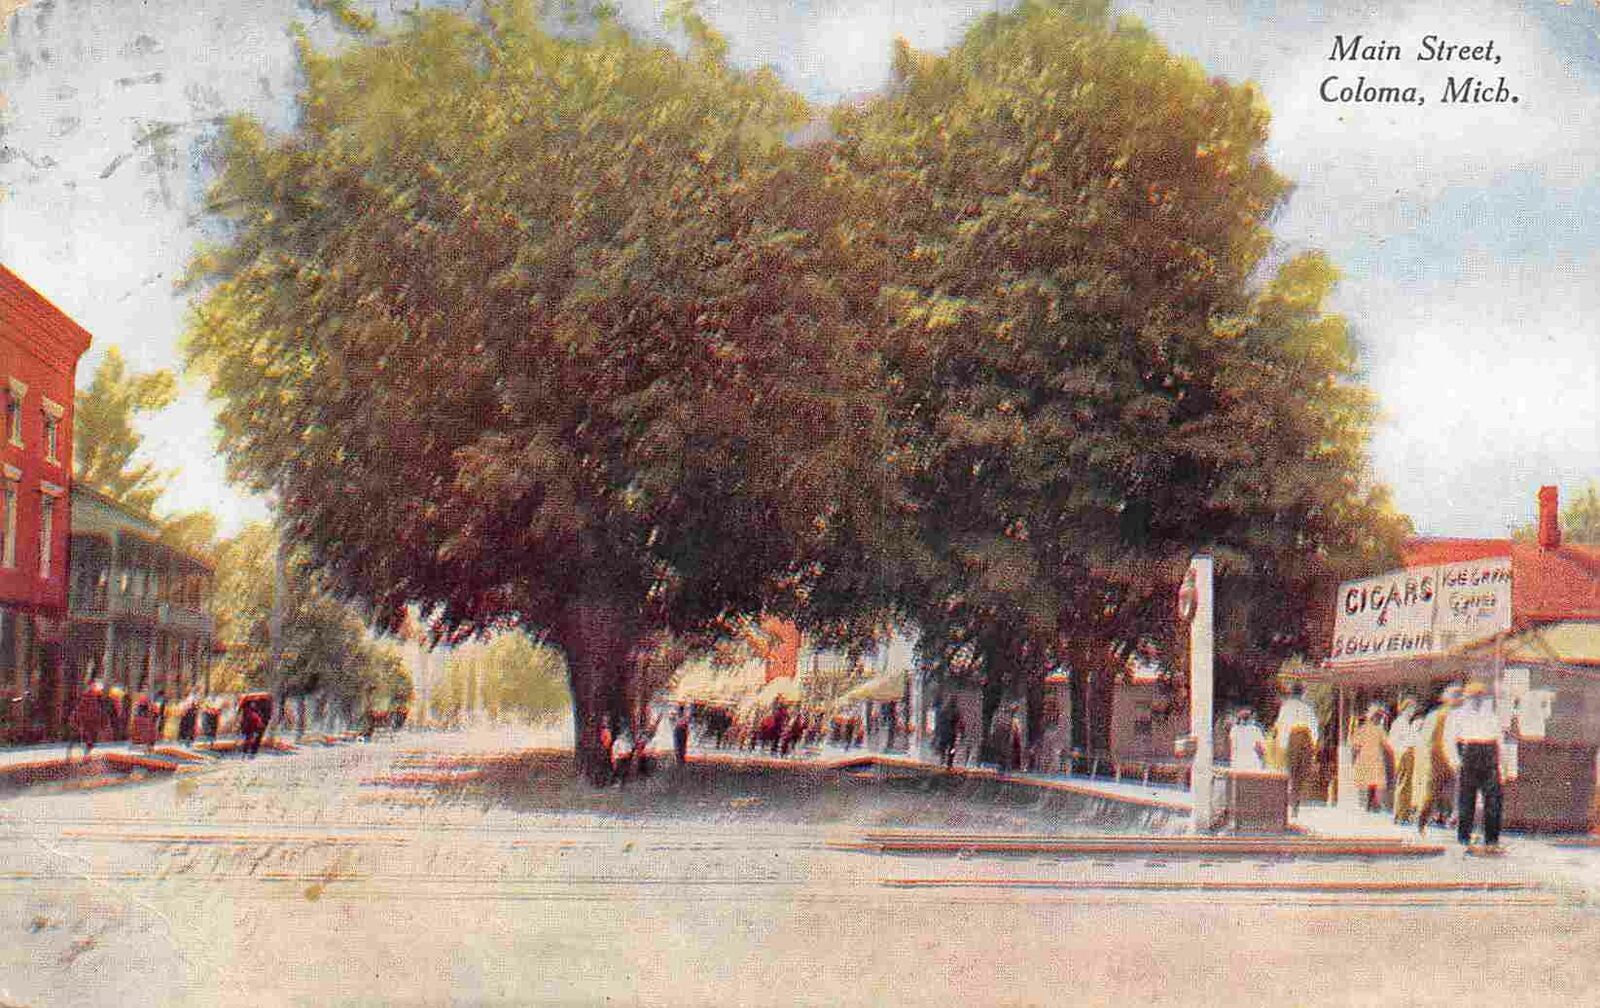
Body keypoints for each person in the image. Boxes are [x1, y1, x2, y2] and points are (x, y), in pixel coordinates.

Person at [1446, 680, 1508, 853]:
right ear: (1466, 698)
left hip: (1489, 755)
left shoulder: (1492, 716)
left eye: (1479, 697)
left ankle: (1492, 840)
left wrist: (1503, 768)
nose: (1477, 700)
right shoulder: (1457, 715)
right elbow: (1449, 740)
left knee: (1494, 800)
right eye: (1473, 697)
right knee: (1467, 800)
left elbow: (1500, 742)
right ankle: (1464, 837)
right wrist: (1455, 761)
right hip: (1468, 754)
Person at [1413, 684, 1463, 836]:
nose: (1458, 699)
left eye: (1459, 695)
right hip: (1436, 759)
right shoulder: (1436, 715)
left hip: (1454, 759)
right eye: (1455, 695)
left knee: (1458, 792)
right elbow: (1425, 739)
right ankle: (1421, 822)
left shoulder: (1461, 715)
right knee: (1431, 793)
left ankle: (1454, 823)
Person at [1272, 683, 1320, 816]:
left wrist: (1282, 744)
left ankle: (1290, 802)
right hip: (1304, 740)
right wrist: (1313, 746)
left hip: (1292, 740)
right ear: (1302, 693)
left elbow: (1282, 726)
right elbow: (1313, 727)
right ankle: (1295, 803)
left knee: (1290, 772)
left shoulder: (1286, 708)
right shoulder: (1307, 708)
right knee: (1299, 774)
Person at [1350, 703, 1391, 812]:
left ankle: (1371, 804)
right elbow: (1356, 744)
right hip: (1369, 758)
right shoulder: (1369, 729)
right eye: (1376, 716)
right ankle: (1369, 804)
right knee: (1370, 782)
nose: (1377, 718)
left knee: (1372, 783)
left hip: (1372, 758)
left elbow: (1386, 743)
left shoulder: (1374, 729)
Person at [1388, 698, 1421, 824]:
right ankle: (1398, 815)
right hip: (1403, 753)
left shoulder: (1408, 723)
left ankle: (1404, 814)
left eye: (1413, 709)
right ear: (1405, 709)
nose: (1412, 711)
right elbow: (1392, 741)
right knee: (1402, 784)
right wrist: (1401, 751)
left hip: (1410, 753)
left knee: (1408, 785)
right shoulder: (1399, 723)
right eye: (1410, 708)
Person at [67, 681, 108, 761]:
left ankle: (84, 755)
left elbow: (79, 709)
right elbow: (98, 712)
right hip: (87, 723)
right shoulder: (91, 698)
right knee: (89, 739)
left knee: (88, 739)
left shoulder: (89, 698)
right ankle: (85, 756)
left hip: (88, 722)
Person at [1229, 707, 1267, 772]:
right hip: (1252, 764)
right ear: (1251, 717)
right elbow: (1262, 750)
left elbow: (1231, 748)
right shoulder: (1255, 730)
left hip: (1237, 763)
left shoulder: (1234, 730)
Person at [934, 697, 964, 771]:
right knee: (951, 749)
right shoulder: (956, 711)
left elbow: (939, 722)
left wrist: (937, 732)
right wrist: (962, 731)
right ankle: (949, 763)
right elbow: (960, 723)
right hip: (951, 734)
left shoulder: (944, 711)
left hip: (944, 733)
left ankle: (942, 760)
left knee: (943, 748)